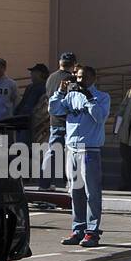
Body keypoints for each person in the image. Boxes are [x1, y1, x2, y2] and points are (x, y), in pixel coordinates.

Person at [49, 64, 110, 248]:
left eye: (83, 77)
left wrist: (89, 98)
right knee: (75, 192)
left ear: (93, 79)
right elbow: (54, 109)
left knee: (92, 192)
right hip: (72, 148)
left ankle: (92, 232)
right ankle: (78, 229)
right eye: (78, 77)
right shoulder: (71, 95)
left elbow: (99, 117)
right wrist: (60, 92)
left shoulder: (102, 97)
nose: (79, 80)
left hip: (89, 149)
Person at [41, 51, 77, 185]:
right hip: (69, 121)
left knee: (51, 152)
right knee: (71, 154)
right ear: (73, 65)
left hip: (54, 120)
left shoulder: (51, 78)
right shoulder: (72, 79)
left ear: (60, 63)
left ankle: (44, 183)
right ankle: (71, 184)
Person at [15, 62, 49, 148]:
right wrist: (16, 113)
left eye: (33, 72)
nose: (31, 74)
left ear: (40, 74)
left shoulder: (44, 88)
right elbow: (23, 102)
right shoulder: (30, 87)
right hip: (23, 120)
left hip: (34, 121)